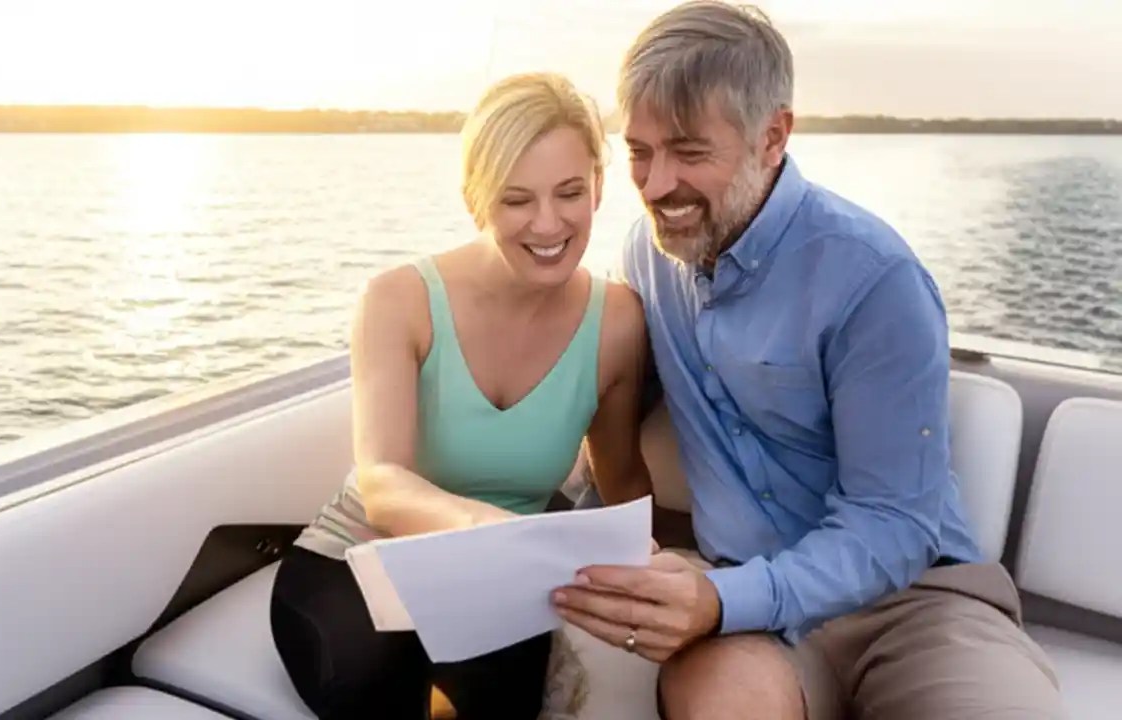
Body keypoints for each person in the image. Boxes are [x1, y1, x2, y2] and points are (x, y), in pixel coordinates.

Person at [551, 2, 1066, 719]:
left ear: (774, 137)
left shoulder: (873, 278)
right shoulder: (643, 258)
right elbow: (597, 411)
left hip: (915, 602)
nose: (657, 183)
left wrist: (720, 599)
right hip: (741, 607)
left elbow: (893, 522)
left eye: (690, 152)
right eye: (639, 151)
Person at [270, 71, 653, 720]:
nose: (548, 223)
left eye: (569, 193)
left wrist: (670, 565)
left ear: (598, 186)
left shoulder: (616, 321)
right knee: (369, 683)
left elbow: (619, 475)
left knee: (493, 697)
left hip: (505, 583)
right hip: (358, 559)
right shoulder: (397, 300)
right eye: (516, 200)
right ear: (476, 199)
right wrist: (494, 531)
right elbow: (384, 484)